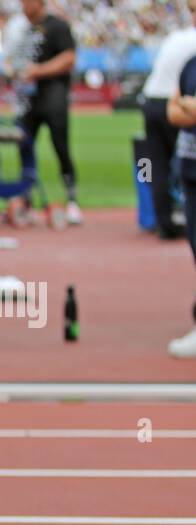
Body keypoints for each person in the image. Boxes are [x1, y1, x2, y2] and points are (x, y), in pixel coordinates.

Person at [9, 0, 80, 225]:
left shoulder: (58, 26)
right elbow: (14, 60)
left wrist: (38, 71)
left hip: (53, 97)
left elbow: (69, 58)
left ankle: (71, 200)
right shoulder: (24, 30)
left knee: (60, 145)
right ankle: (27, 198)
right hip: (28, 99)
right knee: (24, 145)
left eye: (26, 2)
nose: (22, 7)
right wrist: (13, 69)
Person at [140, 2, 196, 241]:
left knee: (156, 167)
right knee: (176, 163)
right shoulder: (191, 43)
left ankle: (163, 222)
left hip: (151, 99)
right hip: (169, 102)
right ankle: (177, 216)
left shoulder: (178, 36)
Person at [165, 53, 196, 359]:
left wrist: (187, 104)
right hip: (189, 169)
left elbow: (182, 105)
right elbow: (173, 113)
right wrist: (188, 106)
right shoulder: (190, 63)